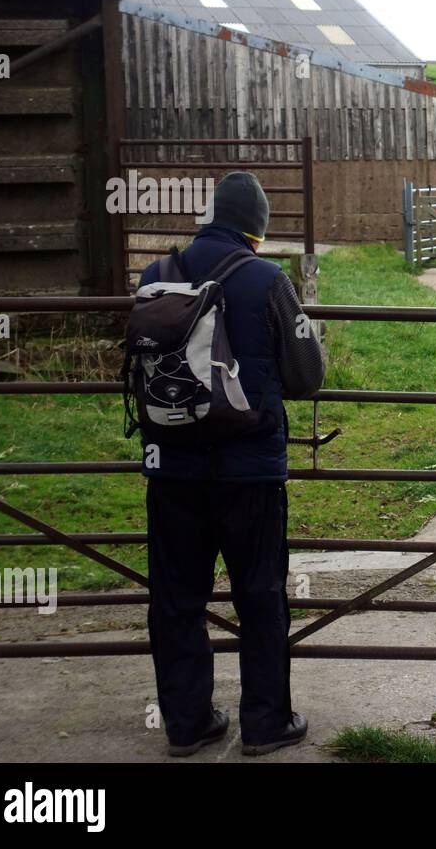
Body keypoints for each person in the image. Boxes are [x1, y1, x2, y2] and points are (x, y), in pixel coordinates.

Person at [137, 171, 325, 757]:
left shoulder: (155, 275)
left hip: (171, 466)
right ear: (257, 232)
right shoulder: (268, 279)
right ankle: (267, 722)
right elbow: (305, 377)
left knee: (176, 599)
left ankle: (187, 724)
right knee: (261, 595)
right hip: (250, 469)